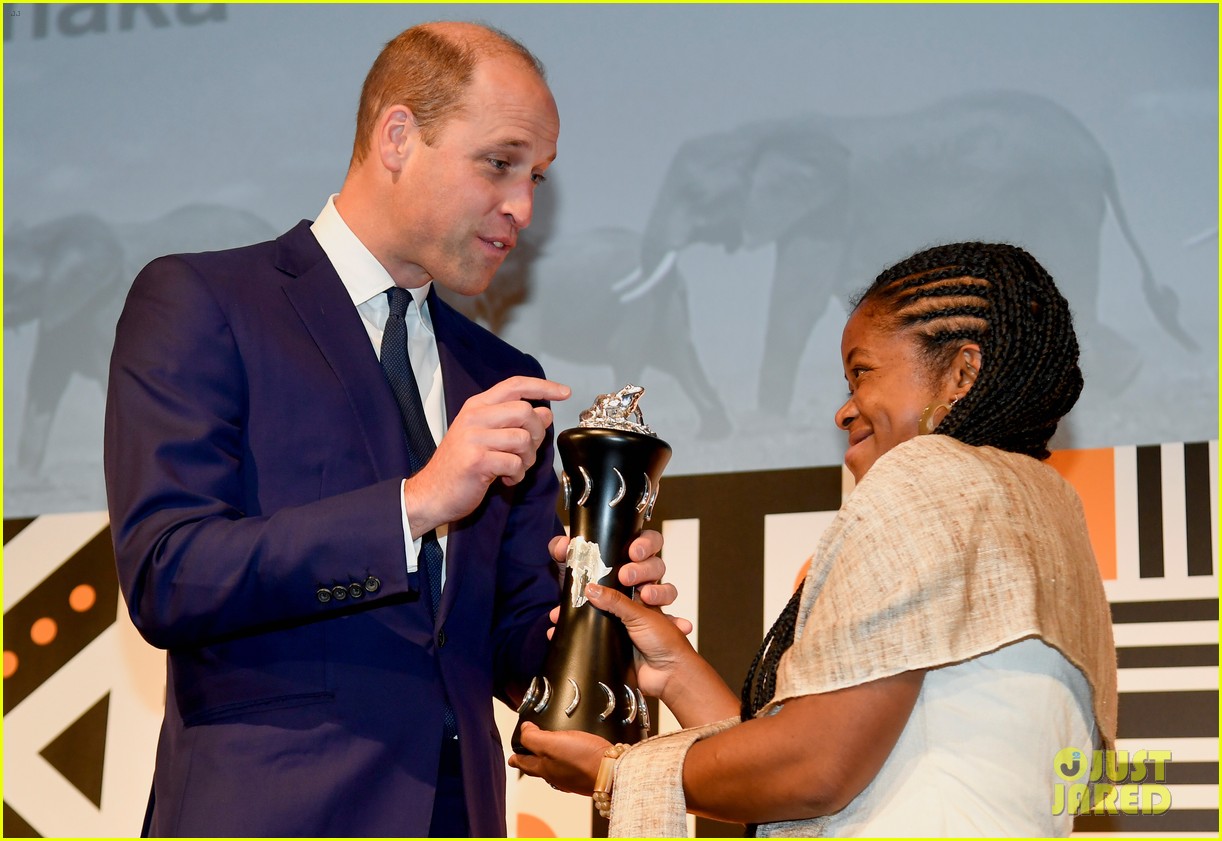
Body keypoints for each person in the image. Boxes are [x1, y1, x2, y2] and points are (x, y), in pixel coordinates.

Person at [104, 21, 674, 838]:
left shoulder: (500, 372)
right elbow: (170, 572)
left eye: (538, 176)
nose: (522, 207)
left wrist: (601, 618)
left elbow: (512, 643)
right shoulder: (205, 302)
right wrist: (411, 505)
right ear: (398, 136)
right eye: (501, 163)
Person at [511, 242, 1119, 836]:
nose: (844, 410)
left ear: (962, 372)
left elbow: (816, 768)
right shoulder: (1045, 507)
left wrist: (617, 771)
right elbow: (827, 765)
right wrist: (672, 666)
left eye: (863, 373)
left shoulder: (929, 476)